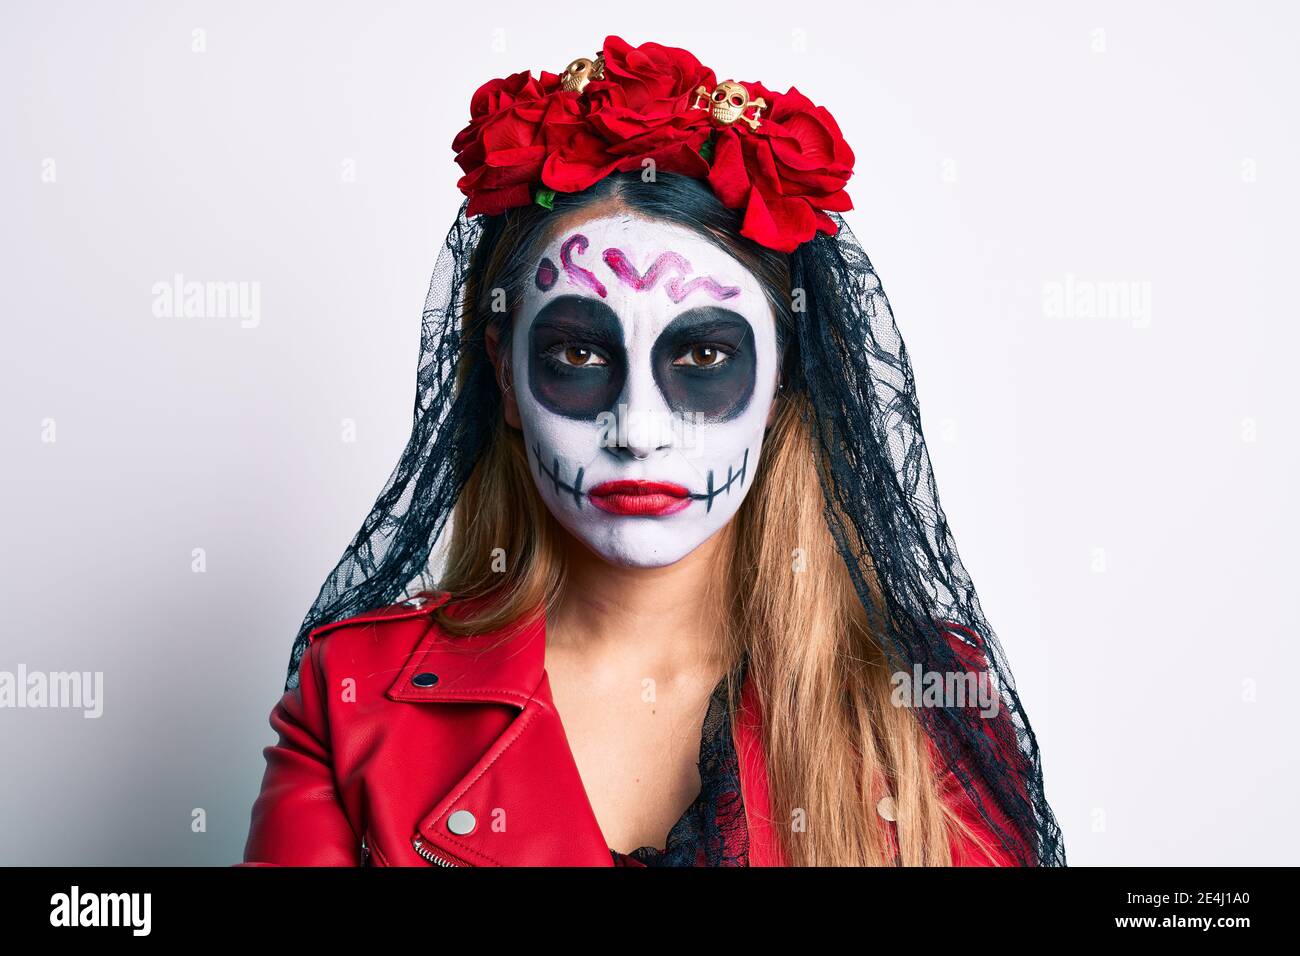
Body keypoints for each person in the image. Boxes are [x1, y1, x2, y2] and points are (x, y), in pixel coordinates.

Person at [241, 35, 1065, 867]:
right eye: (578, 355)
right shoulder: (353, 696)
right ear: (503, 370)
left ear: (782, 376)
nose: (637, 428)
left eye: (702, 357)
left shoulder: (929, 706)